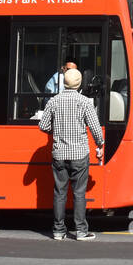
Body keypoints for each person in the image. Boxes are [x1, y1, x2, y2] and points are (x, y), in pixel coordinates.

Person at [38, 67, 104, 241]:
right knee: (79, 193)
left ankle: (58, 231)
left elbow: (43, 126)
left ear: (64, 83)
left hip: (59, 154)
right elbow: (96, 129)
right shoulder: (84, 102)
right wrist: (100, 144)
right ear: (80, 83)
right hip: (79, 154)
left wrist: (57, 130)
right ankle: (81, 231)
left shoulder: (53, 101)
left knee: (59, 193)